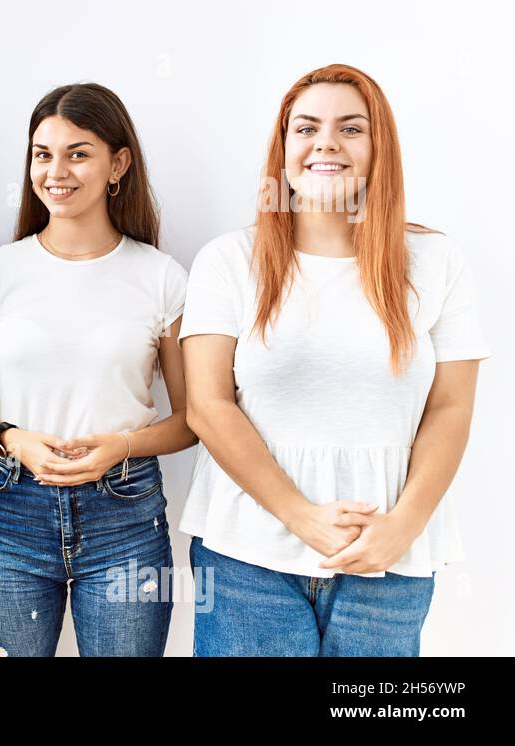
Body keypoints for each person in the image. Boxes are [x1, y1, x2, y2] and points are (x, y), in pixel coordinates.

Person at [180, 64, 489, 656]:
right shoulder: (227, 260)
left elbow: (450, 409)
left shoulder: (436, 261)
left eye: (351, 129)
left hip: (390, 559)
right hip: (248, 555)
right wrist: (300, 516)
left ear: (379, 150)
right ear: (285, 147)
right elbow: (207, 405)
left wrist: (403, 526)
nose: (326, 144)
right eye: (307, 128)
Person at [0, 82, 196, 657]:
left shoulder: (162, 278)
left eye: (78, 153)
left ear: (118, 164)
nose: (56, 170)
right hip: (12, 511)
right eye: (42, 153)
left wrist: (123, 446)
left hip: (125, 516)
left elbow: (195, 419)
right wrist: (13, 440)